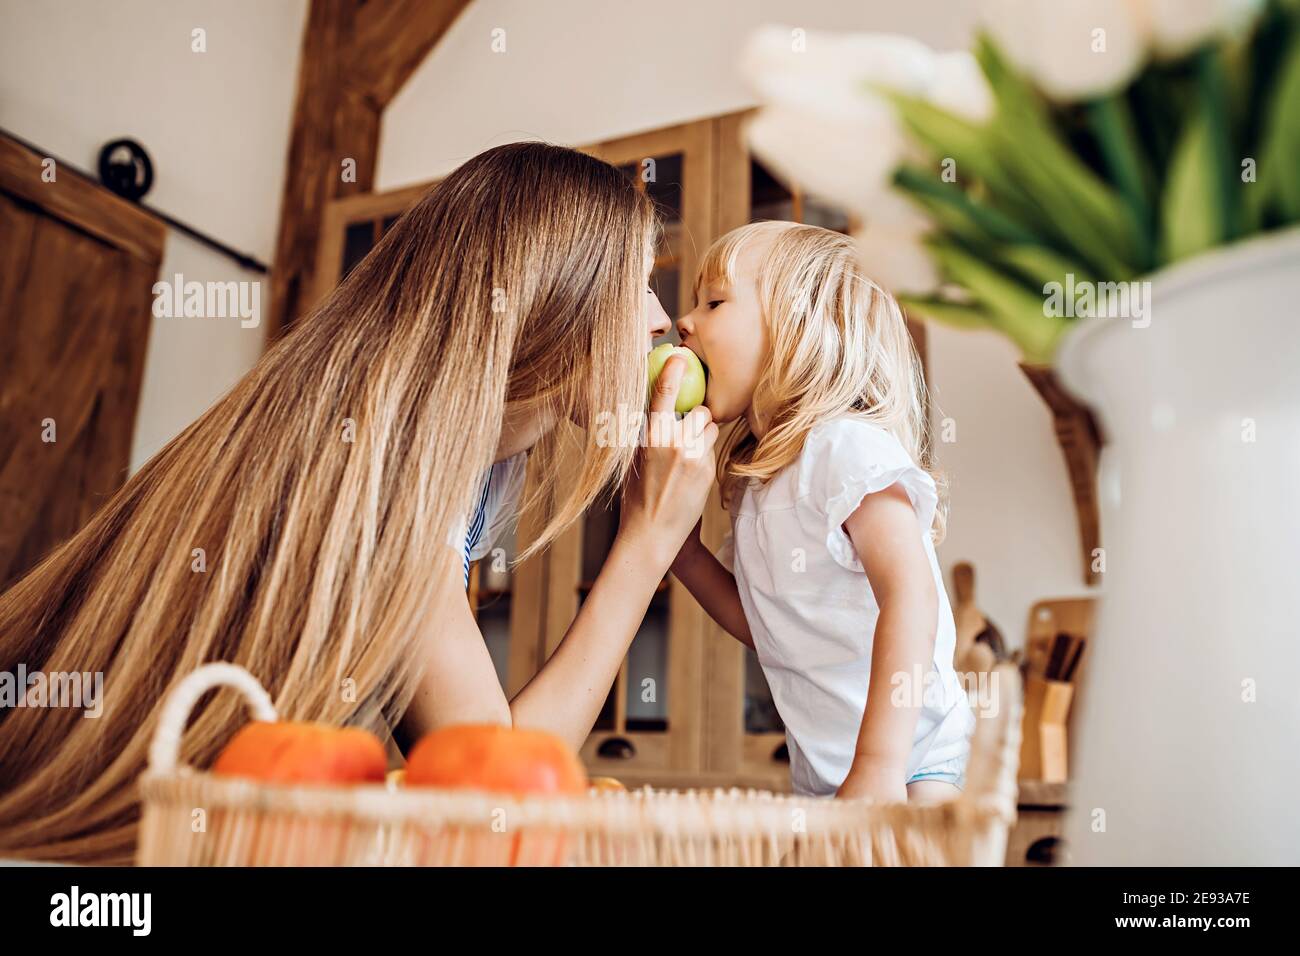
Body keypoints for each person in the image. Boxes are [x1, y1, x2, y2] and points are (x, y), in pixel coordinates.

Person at [0, 142, 717, 863]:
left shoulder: (476, 457)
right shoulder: (400, 442)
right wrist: (647, 544)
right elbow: (497, 802)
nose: (662, 321)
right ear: (551, 292)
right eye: (637, 283)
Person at [669, 221, 973, 802]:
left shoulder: (844, 447)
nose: (685, 322)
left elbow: (912, 595)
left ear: (797, 328)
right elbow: (765, 625)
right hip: (828, 771)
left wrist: (880, 764)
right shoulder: (761, 478)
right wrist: (679, 552)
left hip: (914, 758)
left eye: (714, 302)